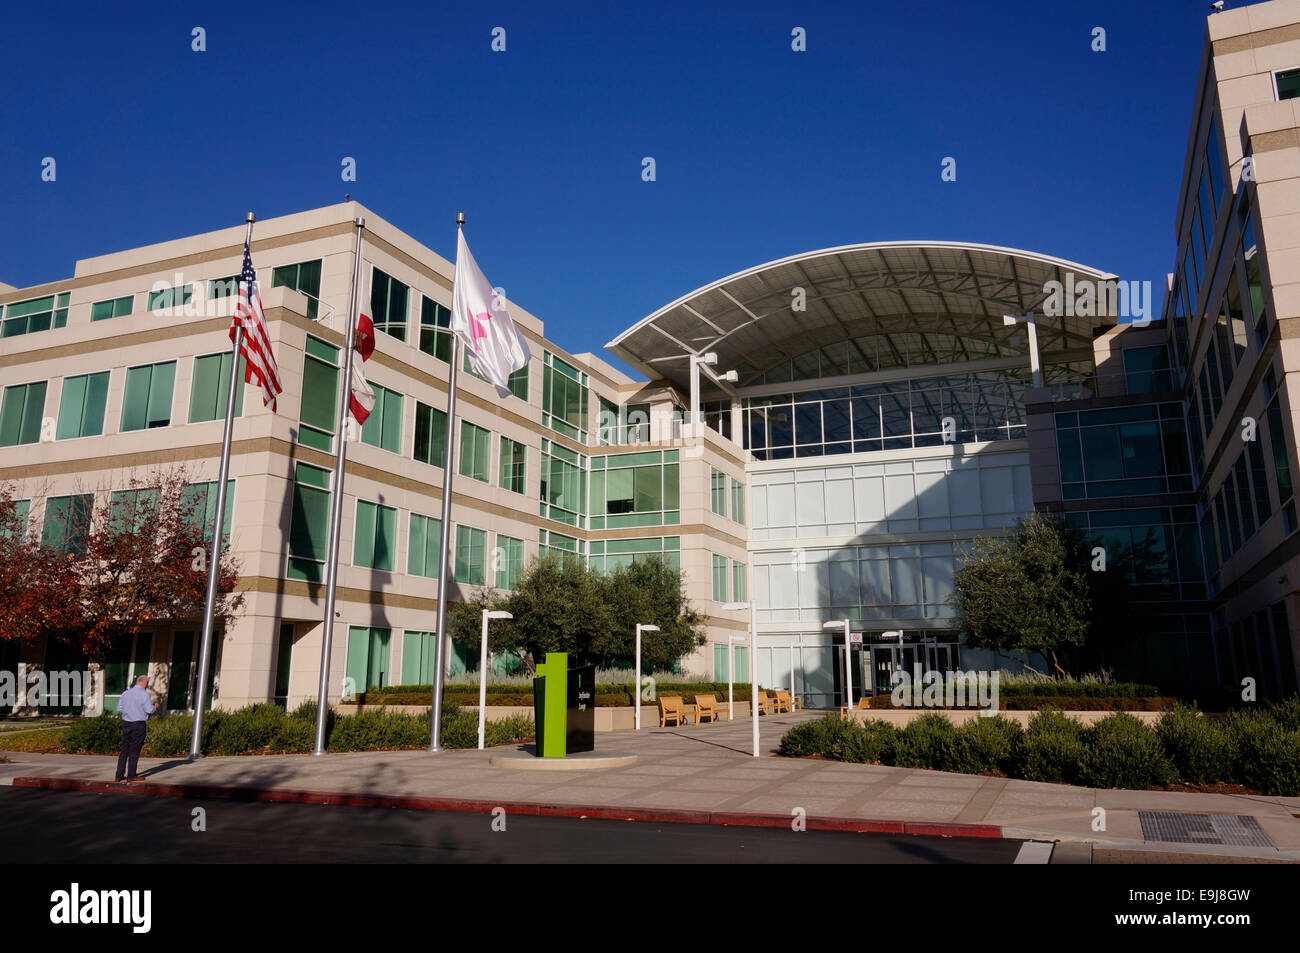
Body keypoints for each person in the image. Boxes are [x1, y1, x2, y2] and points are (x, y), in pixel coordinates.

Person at [115, 675, 155, 782]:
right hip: (138, 725)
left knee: (124, 750)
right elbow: (149, 710)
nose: (147, 685)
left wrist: (130, 710)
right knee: (134, 750)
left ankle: (119, 775)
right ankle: (131, 775)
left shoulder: (125, 693)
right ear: (144, 682)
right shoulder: (144, 694)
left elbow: (119, 708)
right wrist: (155, 706)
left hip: (126, 723)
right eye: (147, 683)